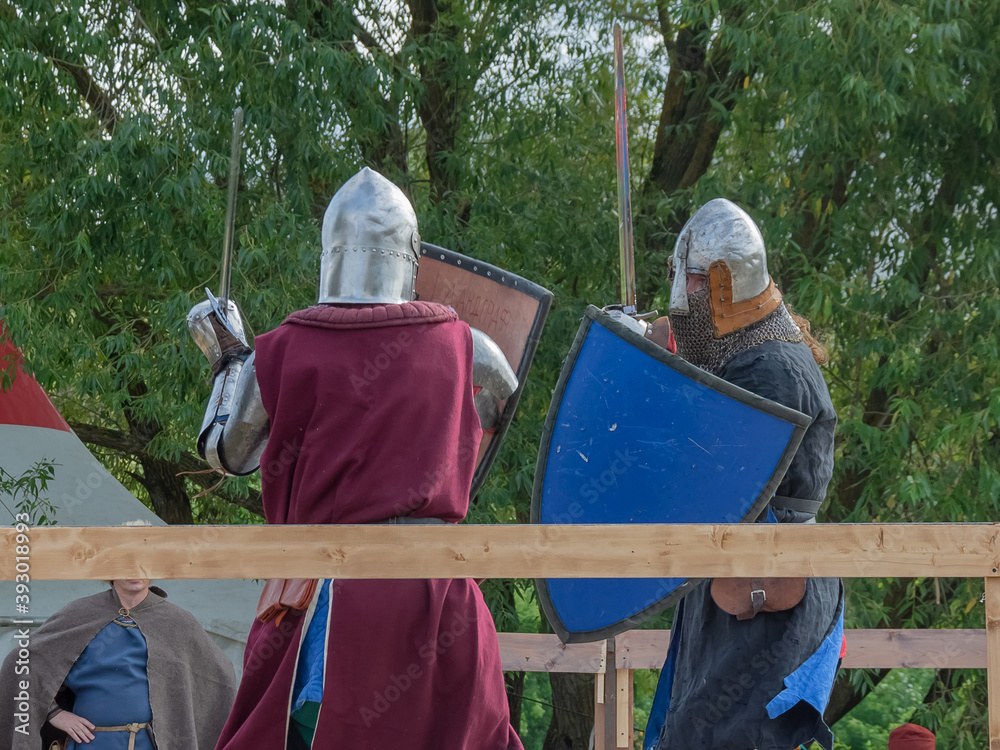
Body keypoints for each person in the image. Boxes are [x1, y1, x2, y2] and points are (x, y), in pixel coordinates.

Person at [186, 167, 523, 749]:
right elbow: (500, 404)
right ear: (410, 255)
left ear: (330, 252)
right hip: (434, 597)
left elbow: (228, 453)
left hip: (327, 595)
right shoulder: (469, 344)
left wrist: (229, 360)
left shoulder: (282, 349)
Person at [643, 198, 843, 750]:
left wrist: (650, 384)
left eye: (694, 281)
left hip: (765, 586)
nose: (682, 296)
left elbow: (709, 477)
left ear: (725, 285)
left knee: (729, 739)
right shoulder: (754, 357)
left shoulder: (768, 367)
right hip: (743, 576)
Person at [0, 578, 237, 750]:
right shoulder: (80, 613)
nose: (135, 571)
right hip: (90, 743)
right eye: (126, 562)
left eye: (142, 562)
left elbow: (219, 681)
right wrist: (54, 713)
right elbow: (21, 664)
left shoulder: (177, 622)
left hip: (149, 744)